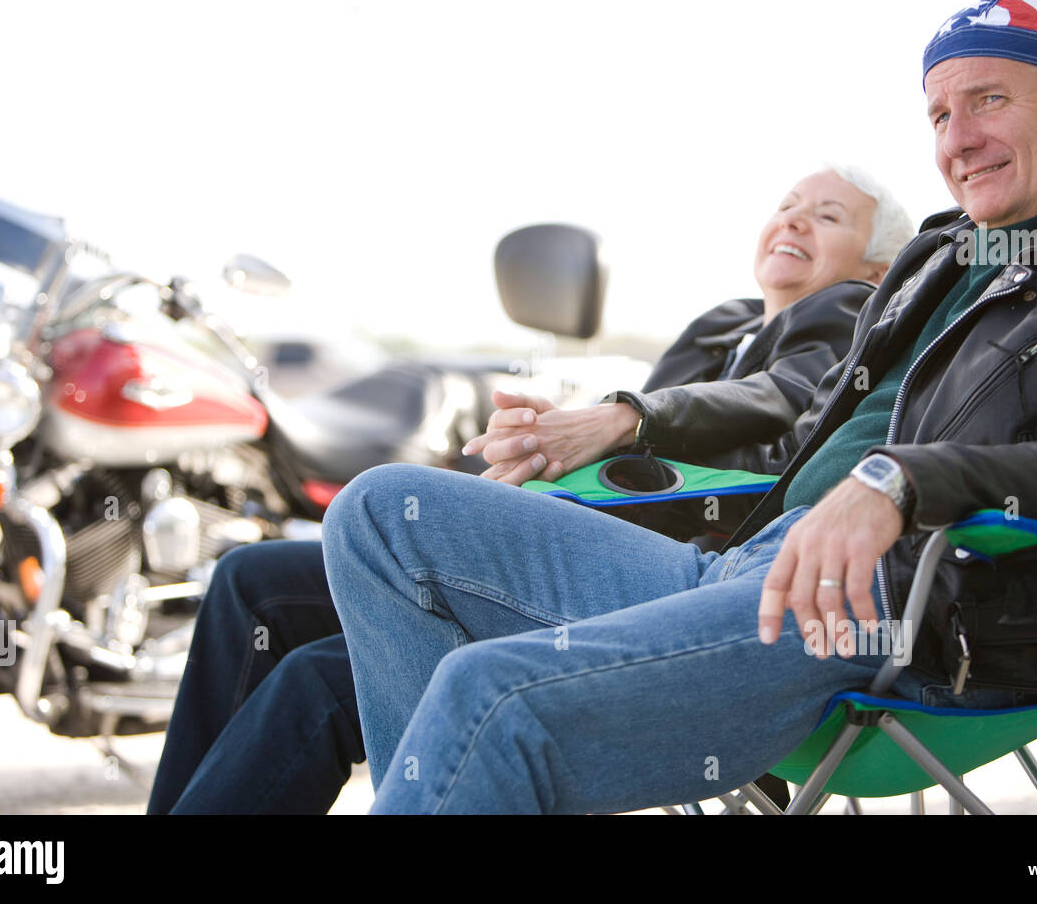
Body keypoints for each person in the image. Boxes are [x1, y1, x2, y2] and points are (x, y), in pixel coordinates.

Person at [321, 0, 1037, 813]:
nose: (957, 140)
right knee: (380, 513)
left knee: (490, 689)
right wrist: (606, 431)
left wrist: (901, 483)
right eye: (940, 114)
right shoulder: (947, 252)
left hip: (898, 602)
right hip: (750, 563)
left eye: (989, 101)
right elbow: (805, 416)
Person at [146, 164, 913, 813]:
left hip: (670, 582)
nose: (794, 221)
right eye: (787, 205)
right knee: (251, 581)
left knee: (318, 672)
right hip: (596, 539)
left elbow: (780, 401)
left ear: (877, 271)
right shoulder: (726, 323)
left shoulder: (850, 318)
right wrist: (543, 452)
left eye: (828, 216)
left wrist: (623, 419)